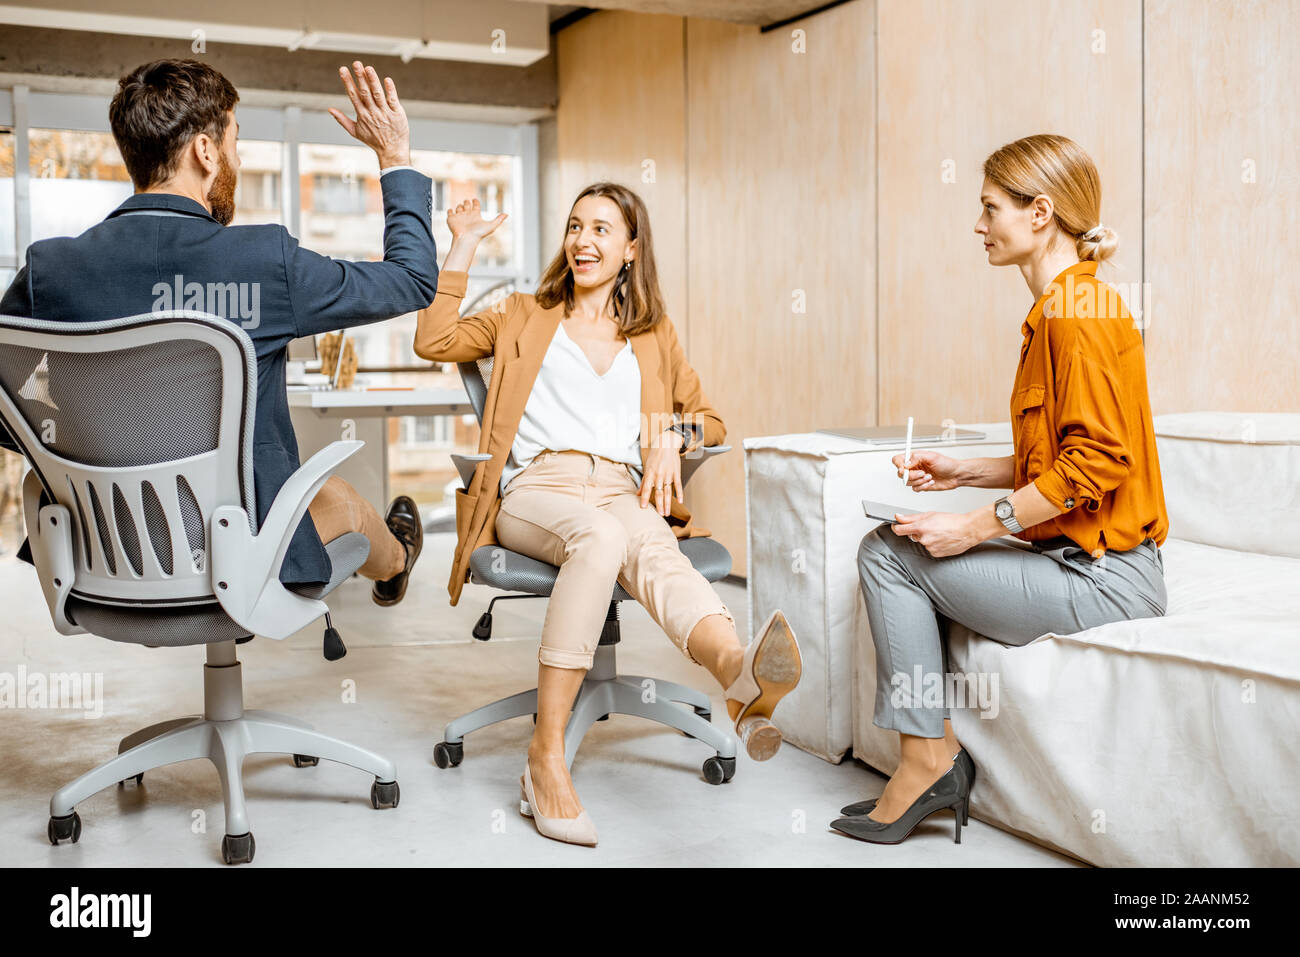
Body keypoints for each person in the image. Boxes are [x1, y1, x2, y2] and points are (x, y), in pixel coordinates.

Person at [414, 182, 803, 847]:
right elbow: (434, 338)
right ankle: (545, 758)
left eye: (601, 229)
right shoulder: (522, 313)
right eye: (574, 226)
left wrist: (668, 436)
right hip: (539, 488)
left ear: (630, 249)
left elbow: (708, 420)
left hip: (623, 488)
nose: (583, 240)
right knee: (600, 537)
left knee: (658, 554)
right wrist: (463, 248)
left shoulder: (652, 334)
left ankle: (737, 674)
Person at [832, 134, 1169, 846]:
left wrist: (975, 525)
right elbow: (1060, 456)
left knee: (887, 555)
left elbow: (1095, 467)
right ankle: (926, 757)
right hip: (1089, 563)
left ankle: (927, 759)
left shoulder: (1075, 315)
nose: (979, 226)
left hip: (1107, 579)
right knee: (894, 545)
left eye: (990, 209)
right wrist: (965, 472)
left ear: (1040, 212)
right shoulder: (1069, 306)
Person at [0, 58, 433, 605]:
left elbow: (10, 403)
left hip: (100, 556)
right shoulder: (261, 261)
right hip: (241, 560)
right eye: (235, 141)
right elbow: (412, 280)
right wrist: (394, 157)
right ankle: (396, 561)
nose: (237, 157)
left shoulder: (51, 273)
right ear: (206, 151)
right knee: (339, 497)